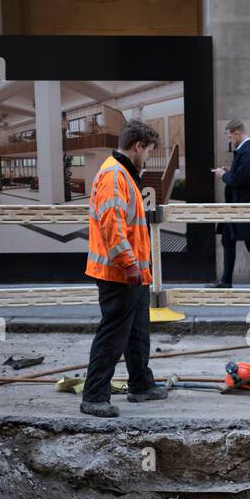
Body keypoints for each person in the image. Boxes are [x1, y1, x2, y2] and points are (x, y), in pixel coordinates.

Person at [78, 120, 168, 418]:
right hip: (119, 273)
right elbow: (111, 226)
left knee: (137, 332)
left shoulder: (125, 175)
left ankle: (140, 384)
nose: (148, 158)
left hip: (134, 273)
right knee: (114, 334)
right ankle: (94, 396)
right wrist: (129, 264)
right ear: (138, 146)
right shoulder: (114, 175)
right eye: (149, 152)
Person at [210, 119, 250, 288]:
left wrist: (223, 175)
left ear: (237, 132)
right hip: (238, 207)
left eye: (230, 136)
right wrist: (229, 172)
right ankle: (226, 281)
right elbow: (242, 177)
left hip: (245, 208)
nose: (230, 140)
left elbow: (241, 180)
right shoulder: (246, 151)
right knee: (228, 241)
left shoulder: (248, 152)